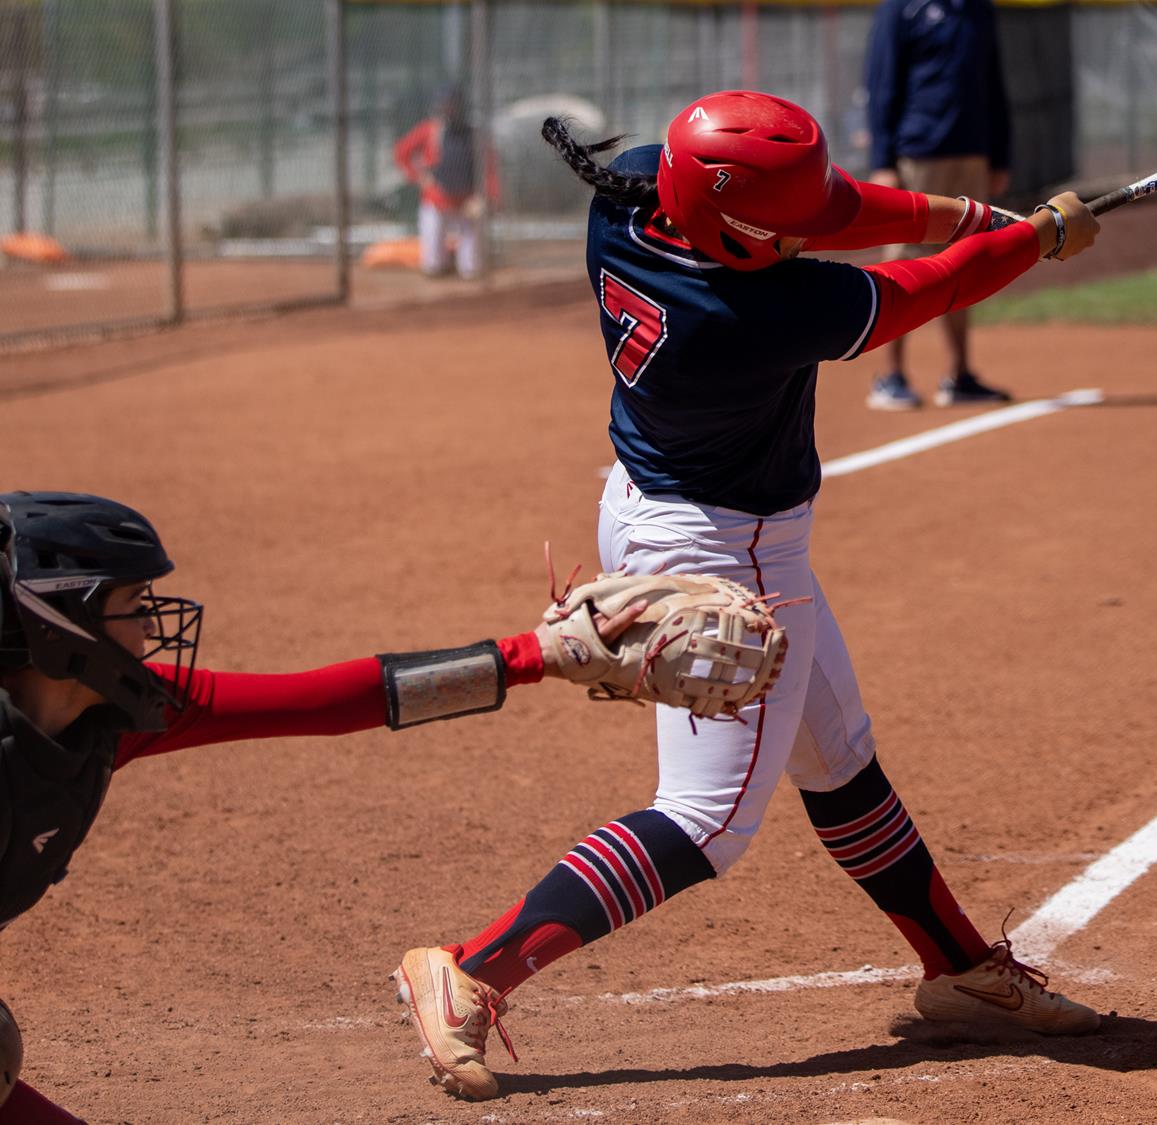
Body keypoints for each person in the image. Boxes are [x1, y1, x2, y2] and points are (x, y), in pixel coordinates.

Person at [392, 91, 1100, 1102]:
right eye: (784, 226)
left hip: (646, 509)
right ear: (730, 222)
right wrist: (1027, 242)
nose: (805, 231)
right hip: (725, 557)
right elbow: (919, 293)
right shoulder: (753, 312)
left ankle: (958, 971)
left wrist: (969, 214)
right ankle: (471, 970)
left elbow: (835, 206)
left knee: (837, 754)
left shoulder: (635, 193)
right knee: (707, 817)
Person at [0, 492, 641, 1125]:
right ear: (59, 621)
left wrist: (537, 655)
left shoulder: (118, 715)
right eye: (132, 605)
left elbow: (321, 703)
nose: (150, 626)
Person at [861, 0, 1016, 410]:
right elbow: (882, 82)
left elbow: (994, 83)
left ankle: (959, 374)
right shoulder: (901, 8)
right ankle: (890, 377)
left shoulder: (978, 8)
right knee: (903, 257)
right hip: (919, 152)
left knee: (968, 258)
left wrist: (999, 155)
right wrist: (882, 161)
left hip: (973, 152)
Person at [393, 86, 490, 280]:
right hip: (437, 198)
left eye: (452, 106)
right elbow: (401, 152)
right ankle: (441, 273)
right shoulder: (431, 130)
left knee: (471, 269)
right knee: (433, 265)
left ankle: (464, 278)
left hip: (466, 201)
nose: (449, 110)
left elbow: (488, 165)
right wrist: (418, 176)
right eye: (445, 106)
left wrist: (486, 196)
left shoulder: (472, 133)